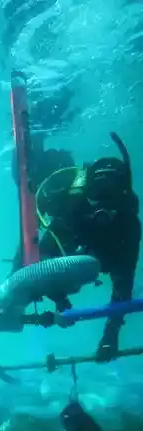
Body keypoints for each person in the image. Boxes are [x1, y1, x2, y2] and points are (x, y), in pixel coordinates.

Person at [29, 134, 141, 362]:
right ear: (87, 193)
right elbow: (43, 256)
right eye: (97, 195)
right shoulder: (73, 210)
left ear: (122, 197)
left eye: (110, 198)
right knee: (26, 266)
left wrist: (110, 335)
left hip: (96, 255)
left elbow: (123, 285)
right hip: (68, 249)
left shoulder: (128, 225)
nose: (102, 208)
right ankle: (37, 146)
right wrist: (59, 299)